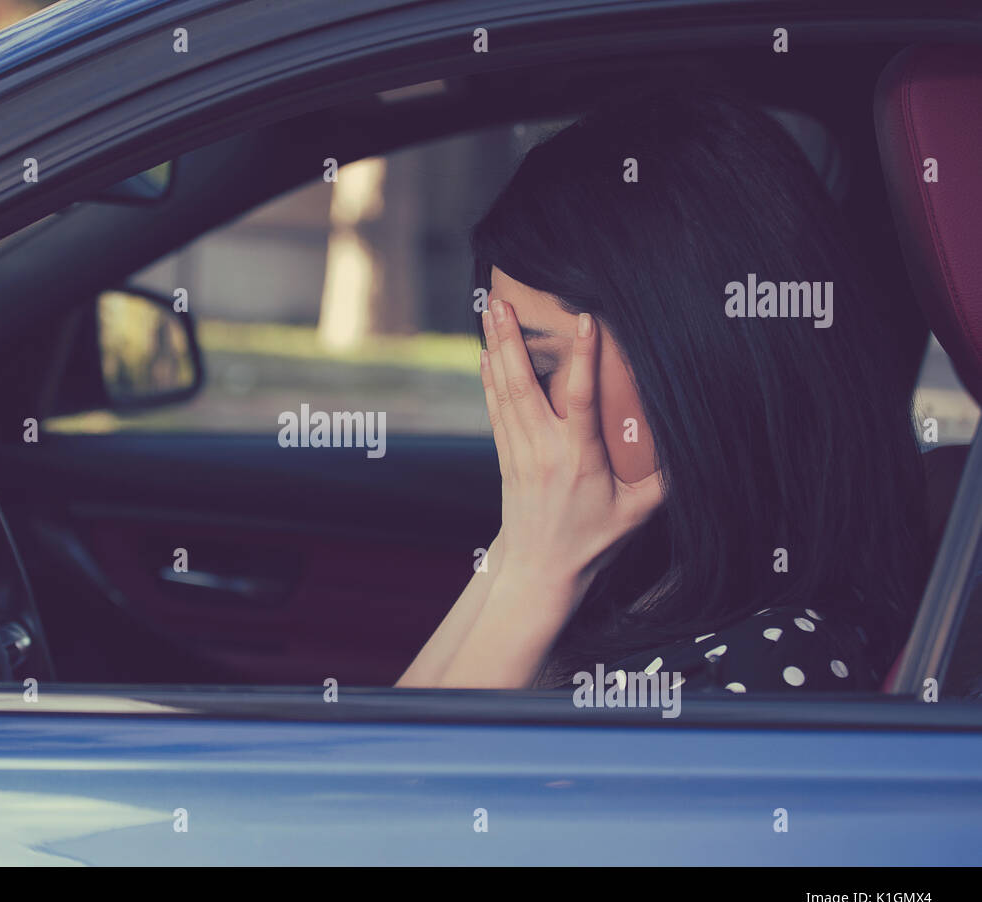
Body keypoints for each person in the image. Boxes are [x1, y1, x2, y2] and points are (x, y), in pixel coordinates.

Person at [397, 89, 929, 693]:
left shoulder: (761, 667)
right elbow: (381, 764)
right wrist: (520, 552)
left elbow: (409, 786)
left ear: (690, 353)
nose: (516, 416)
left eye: (538, 367)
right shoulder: (641, 574)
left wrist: (534, 572)